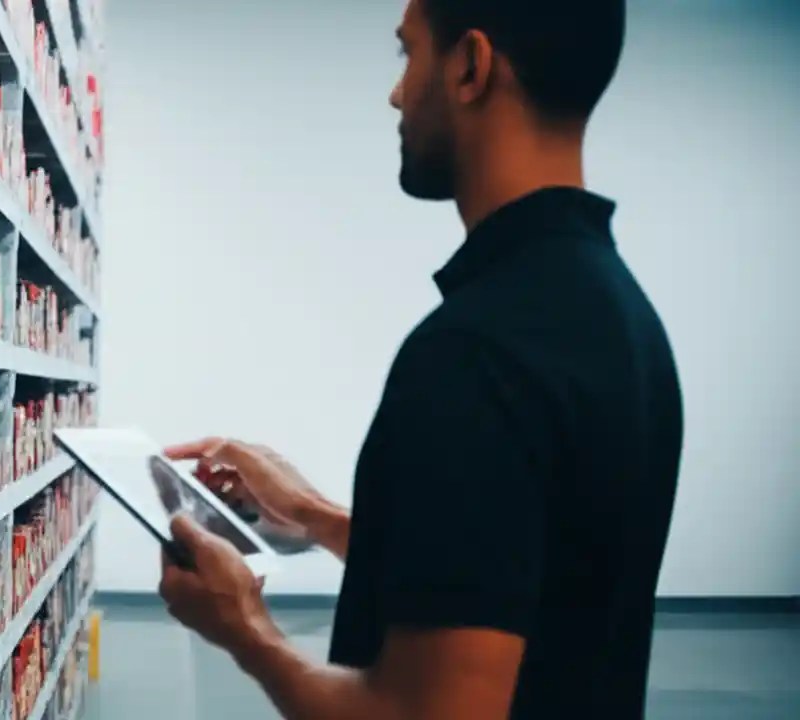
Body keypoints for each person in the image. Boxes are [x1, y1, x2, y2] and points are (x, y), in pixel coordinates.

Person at [156, 0, 683, 718]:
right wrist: (311, 514)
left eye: (407, 54)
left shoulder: (477, 352)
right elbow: (519, 576)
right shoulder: (619, 316)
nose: (397, 93)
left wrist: (245, 631)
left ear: (470, 66)